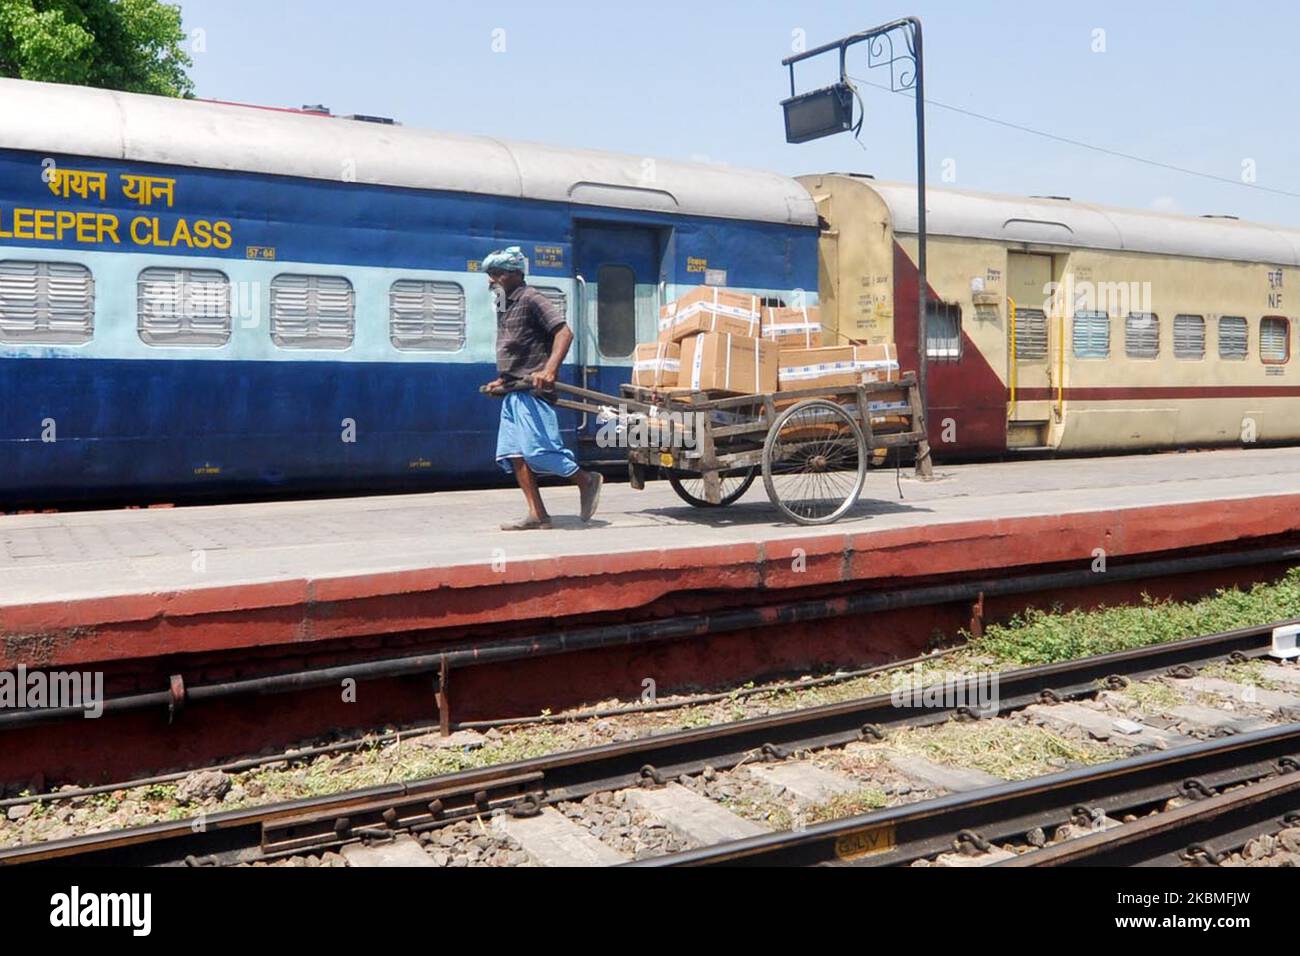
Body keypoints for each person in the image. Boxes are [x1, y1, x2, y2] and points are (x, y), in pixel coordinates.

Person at [482, 246, 602, 530]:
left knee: (537, 451)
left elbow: (564, 332)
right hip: (514, 390)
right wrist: (502, 379)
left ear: (514, 274)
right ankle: (537, 513)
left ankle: (586, 479)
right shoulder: (503, 302)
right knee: (513, 454)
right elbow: (512, 345)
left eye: (496, 274)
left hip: (533, 391)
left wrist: (550, 370)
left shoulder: (531, 297)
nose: (491, 281)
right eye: (489, 275)